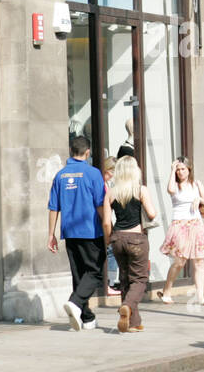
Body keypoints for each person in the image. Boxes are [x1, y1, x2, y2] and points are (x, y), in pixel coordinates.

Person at [47, 135, 108, 330]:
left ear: (71, 151)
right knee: (95, 273)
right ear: (88, 152)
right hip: (91, 231)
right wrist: (108, 226)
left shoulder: (60, 175)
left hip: (69, 231)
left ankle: (87, 317)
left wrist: (51, 234)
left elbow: (53, 207)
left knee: (79, 275)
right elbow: (100, 204)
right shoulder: (93, 173)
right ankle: (74, 302)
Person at [106, 156, 157, 333]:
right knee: (140, 279)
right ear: (135, 171)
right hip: (137, 238)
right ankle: (126, 306)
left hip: (118, 238)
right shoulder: (141, 190)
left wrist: (109, 239)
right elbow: (151, 214)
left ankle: (132, 322)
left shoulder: (111, 193)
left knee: (125, 278)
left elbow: (106, 221)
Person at [156, 157, 204, 305]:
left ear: (189, 169)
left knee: (199, 261)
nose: (181, 172)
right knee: (180, 261)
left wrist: (199, 199)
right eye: (178, 169)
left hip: (196, 224)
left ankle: (200, 296)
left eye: (183, 169)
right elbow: (170, 190)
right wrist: (172, 169)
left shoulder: (196, 184)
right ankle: (167, 291)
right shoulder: (175, 184)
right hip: (180, 225)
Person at [101, 156, 120, 293]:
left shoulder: (107, 184)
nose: (113, 175)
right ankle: (109, 283)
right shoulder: (101, 183)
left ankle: (109, 282)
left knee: (110, 250)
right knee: (110, 250)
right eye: (112, 172)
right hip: (103, 220)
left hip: (106, 219)